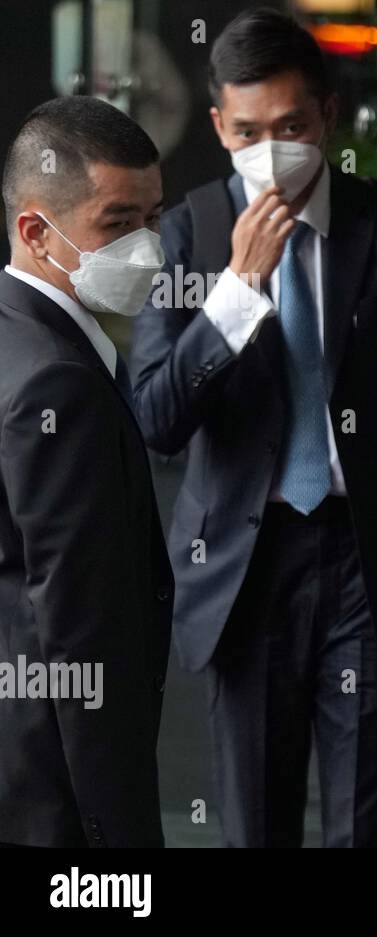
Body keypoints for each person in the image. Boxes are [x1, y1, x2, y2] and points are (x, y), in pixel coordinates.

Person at [131, 8, 377, 847]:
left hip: (366, 562)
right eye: (247, 130)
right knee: (255, 827)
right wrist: (237, 292)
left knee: (367, 827)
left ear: (327, 115)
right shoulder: (186, 235)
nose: (270, 149)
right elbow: (156, 417)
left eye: (290, 126)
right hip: (243, 574)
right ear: (218, 126)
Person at [0, 96, 173, 847]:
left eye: (154, 218)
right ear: (36, 231)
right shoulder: (57, 383)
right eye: (118, 223)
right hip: (57, 801)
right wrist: (117, 829)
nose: (148, 248)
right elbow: (77, 627)